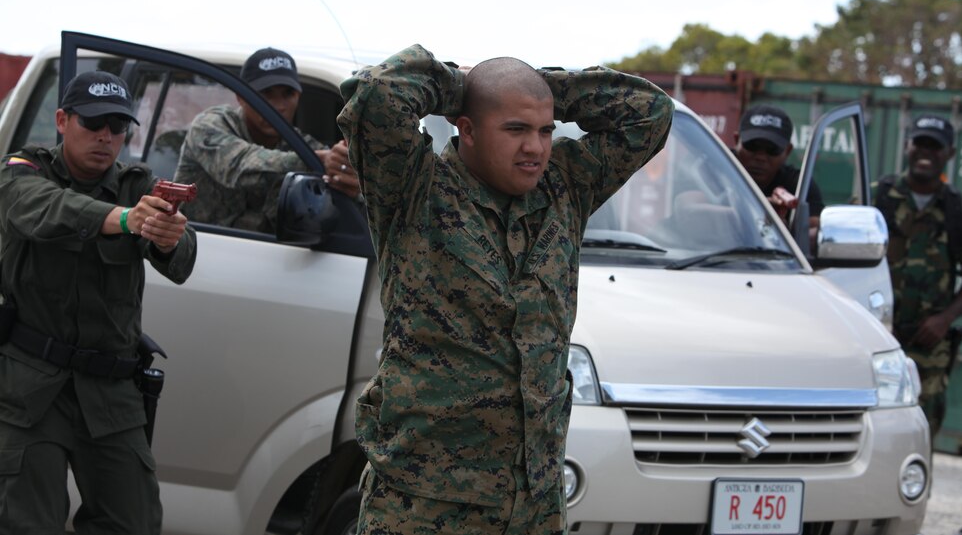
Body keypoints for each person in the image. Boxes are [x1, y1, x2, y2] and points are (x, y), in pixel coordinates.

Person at [337, 44, 673, 534]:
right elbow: (378, 93)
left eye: (544, 130)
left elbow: (650, 113)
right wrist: (467, 85)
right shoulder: (413, 187)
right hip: (423, 501)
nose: (535, 147)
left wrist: (535, 86)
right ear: (466, 128)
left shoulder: (565, 187)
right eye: (515, 129)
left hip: (534, 502)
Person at [0, 70, 197, 534]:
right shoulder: (22, 171)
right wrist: (123, 219)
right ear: (62, 120)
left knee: (134, 521)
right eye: (93, 123)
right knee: (27, 523)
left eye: (118, 125)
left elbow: (182, 262)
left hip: (110, 394)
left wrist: (169, 236)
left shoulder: (140, 185)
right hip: (31, 390)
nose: (106, 136)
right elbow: (41, 208)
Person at [174, 46, 359, 233]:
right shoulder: (210, 126)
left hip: (266, 255)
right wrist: (318, 162)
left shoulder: (299, 143)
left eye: (288, 94)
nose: (279, 106)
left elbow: (338, 181)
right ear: (241, 98)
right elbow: (240, 166)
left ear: (298, 96)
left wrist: (346, 175)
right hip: (192, 247)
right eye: (266, 94)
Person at [873, 114, 962, 441]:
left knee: (921, 434)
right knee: (869, 427)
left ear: (949, 154)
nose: (925, 153)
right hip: (876, 337)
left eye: (934, 147)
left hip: (929, 346)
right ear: (907, 146)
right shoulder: (877, 197)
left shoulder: (955, 209)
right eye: (919, 143)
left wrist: (945, 318)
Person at [733, 104, 824, 235]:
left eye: (772, 149)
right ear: (737, 141)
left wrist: (787, 228)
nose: (760, 157)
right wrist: (757, 212)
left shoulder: (800, 186)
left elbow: (816, 229)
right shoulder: (715, 169)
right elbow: (694, 209)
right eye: (752, 146)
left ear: (787, 151)